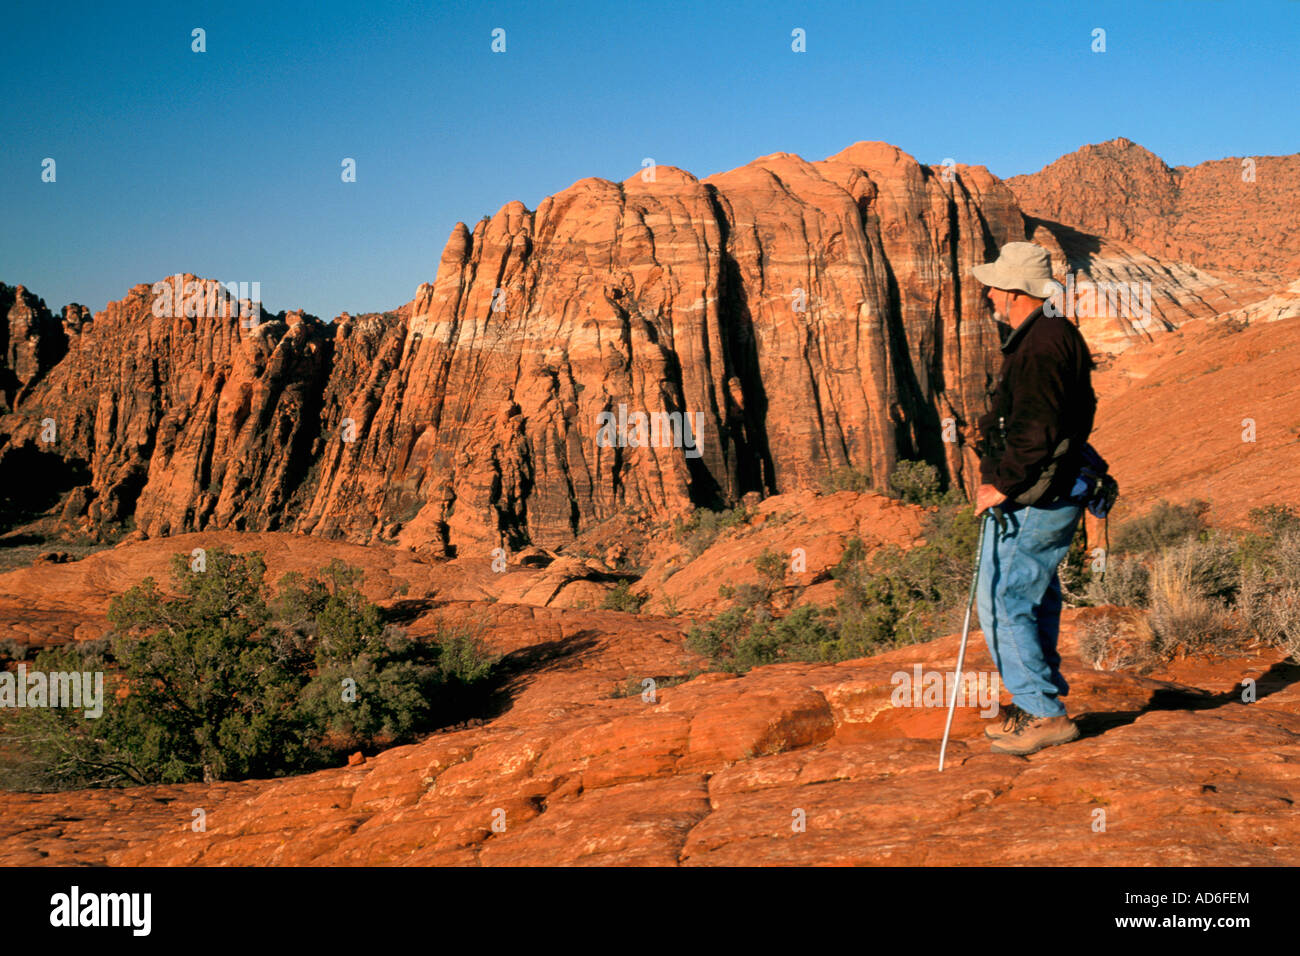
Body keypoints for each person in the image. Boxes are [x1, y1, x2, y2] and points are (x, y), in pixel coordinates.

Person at [970, 241, 1097, 756]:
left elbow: (1037, 428)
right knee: (1034, 596)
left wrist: (1002, 483)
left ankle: (1043, 714)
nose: (989, 296)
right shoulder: (1048, 333)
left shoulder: (1042, 342)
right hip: (1048, 489)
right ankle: (1035, 702)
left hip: (1036, 496)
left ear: (1014, 290)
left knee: (1004, 599)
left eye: (994, 288)